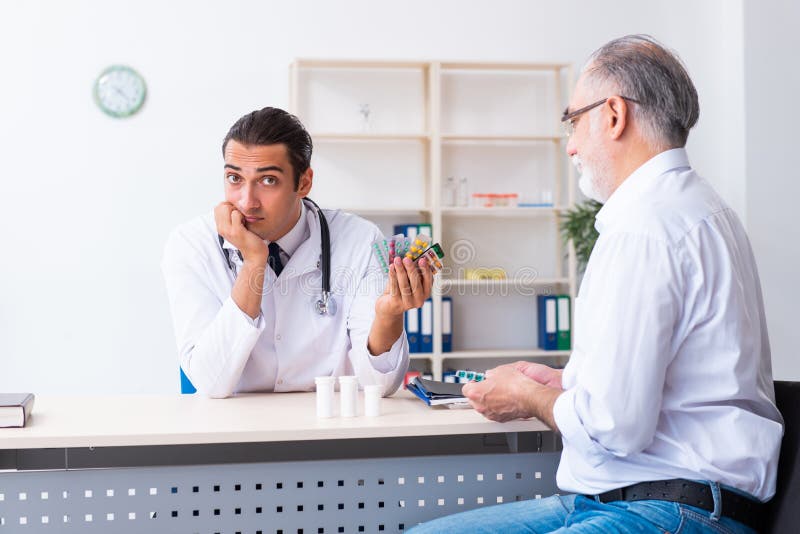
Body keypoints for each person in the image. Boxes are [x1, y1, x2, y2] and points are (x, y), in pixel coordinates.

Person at [409, 35, 782, 533]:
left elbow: (615, 427)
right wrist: (567, 383)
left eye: (573, 121)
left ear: (613, 115)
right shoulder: (703, 210)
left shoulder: (645, 226)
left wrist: (527, 397)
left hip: (672, 507)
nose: (570, 145)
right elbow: (674, 377)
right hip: (636, 496)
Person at [162, 107, 433, 398]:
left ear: (303, 183)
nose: (247, 201)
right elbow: (210, 383)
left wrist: (387, 315)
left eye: (268, 181)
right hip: (231, 430)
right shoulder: (191, 244)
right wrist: (254, 261)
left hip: (328, 429)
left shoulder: (360, 240)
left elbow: (378, 387)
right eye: (234, 178)